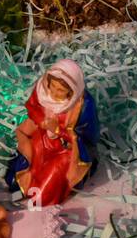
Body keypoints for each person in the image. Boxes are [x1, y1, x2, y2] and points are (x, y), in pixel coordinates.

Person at [5, 59, 98, 207]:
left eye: (60, 90)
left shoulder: (83, 105)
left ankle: (43, 192)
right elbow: (33, 110)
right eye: (52, 86)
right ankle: (23, 190)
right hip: (42, 140)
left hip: (66, 151)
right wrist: (42, 122)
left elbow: (85, 138)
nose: (54, 92)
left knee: (40, 197)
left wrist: (58, 130)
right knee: (26, 172)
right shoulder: (43, 91)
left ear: (72, 90)